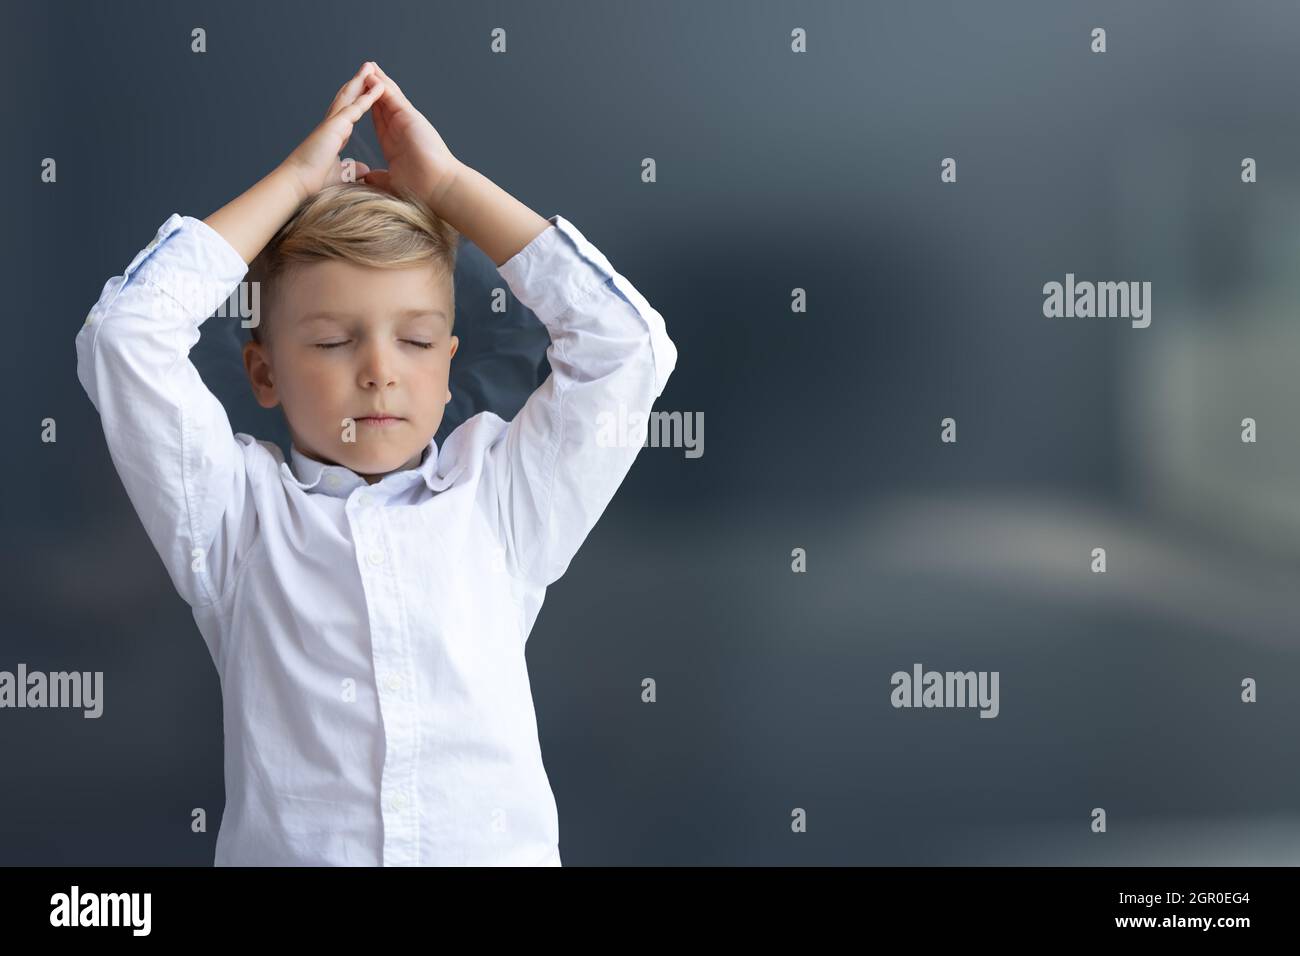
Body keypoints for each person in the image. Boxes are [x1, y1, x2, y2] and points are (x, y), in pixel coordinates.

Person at [74, 61, 677, 865]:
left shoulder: (500, 498)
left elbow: (626, 348)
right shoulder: (234, 518)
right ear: (263, 372)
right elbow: (126, 337)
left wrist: (451, 185)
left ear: (448, 360)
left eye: (417, 340)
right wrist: (293, 182)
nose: (380, 371)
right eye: (330, 341)